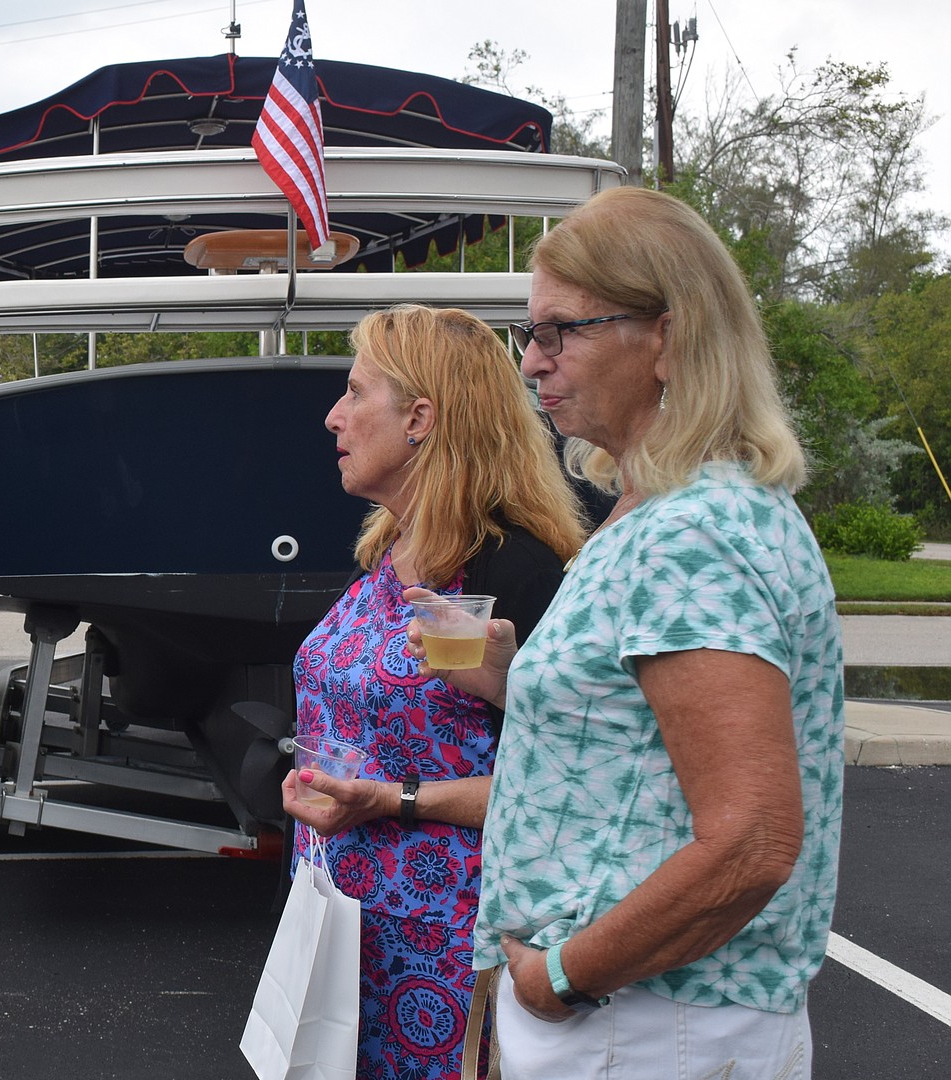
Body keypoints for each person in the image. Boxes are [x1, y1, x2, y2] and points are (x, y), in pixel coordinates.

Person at [436, 186, 844, 1079]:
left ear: (668, 335)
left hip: (651, 1021)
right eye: (528, 334)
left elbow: (752, 841)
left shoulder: (693, 530)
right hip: (636, 1015)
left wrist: (560, 980)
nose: (533, 362)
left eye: (560, 331)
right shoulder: (655, 511)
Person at [279, 304, 587, 1080]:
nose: (332, 416)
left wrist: (394, 798)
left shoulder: (514, 571)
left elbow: (568, 786)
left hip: (451, 954)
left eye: (354, 392)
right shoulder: (387, 548)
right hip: (347, 929)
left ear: (420, 417)